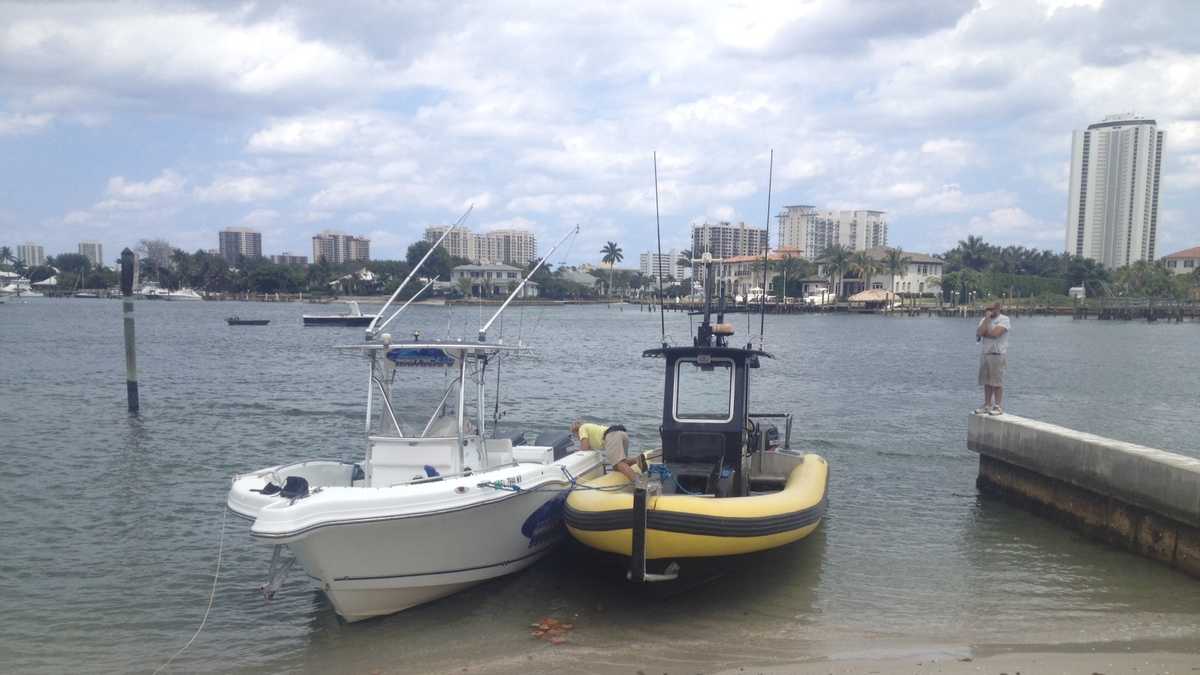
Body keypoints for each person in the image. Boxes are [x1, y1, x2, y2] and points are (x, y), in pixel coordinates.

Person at [571, 420, 639, 481]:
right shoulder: (588, 428)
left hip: (612, 435)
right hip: (621, 433)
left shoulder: (582, 429)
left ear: (576, 431)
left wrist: (578, 452)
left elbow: (584, 448)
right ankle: (638, 460)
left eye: (575, 435)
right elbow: (588, 447)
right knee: (618, 466)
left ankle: (638, 483)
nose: (577, 437)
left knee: (619, 464)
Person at [975, 301, 1011, 415]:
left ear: (998, 308)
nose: (989, 311)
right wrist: (986, 320)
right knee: (987, 381)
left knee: (997, 382)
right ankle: (987, 404)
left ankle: (998, 406)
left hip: (998, 354)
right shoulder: (983, 320)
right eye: (988, 308)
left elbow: (996, 334)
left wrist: (987, 331)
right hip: (986, 353)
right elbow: (979, 334)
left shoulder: (1004, 319)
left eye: (992, 308)